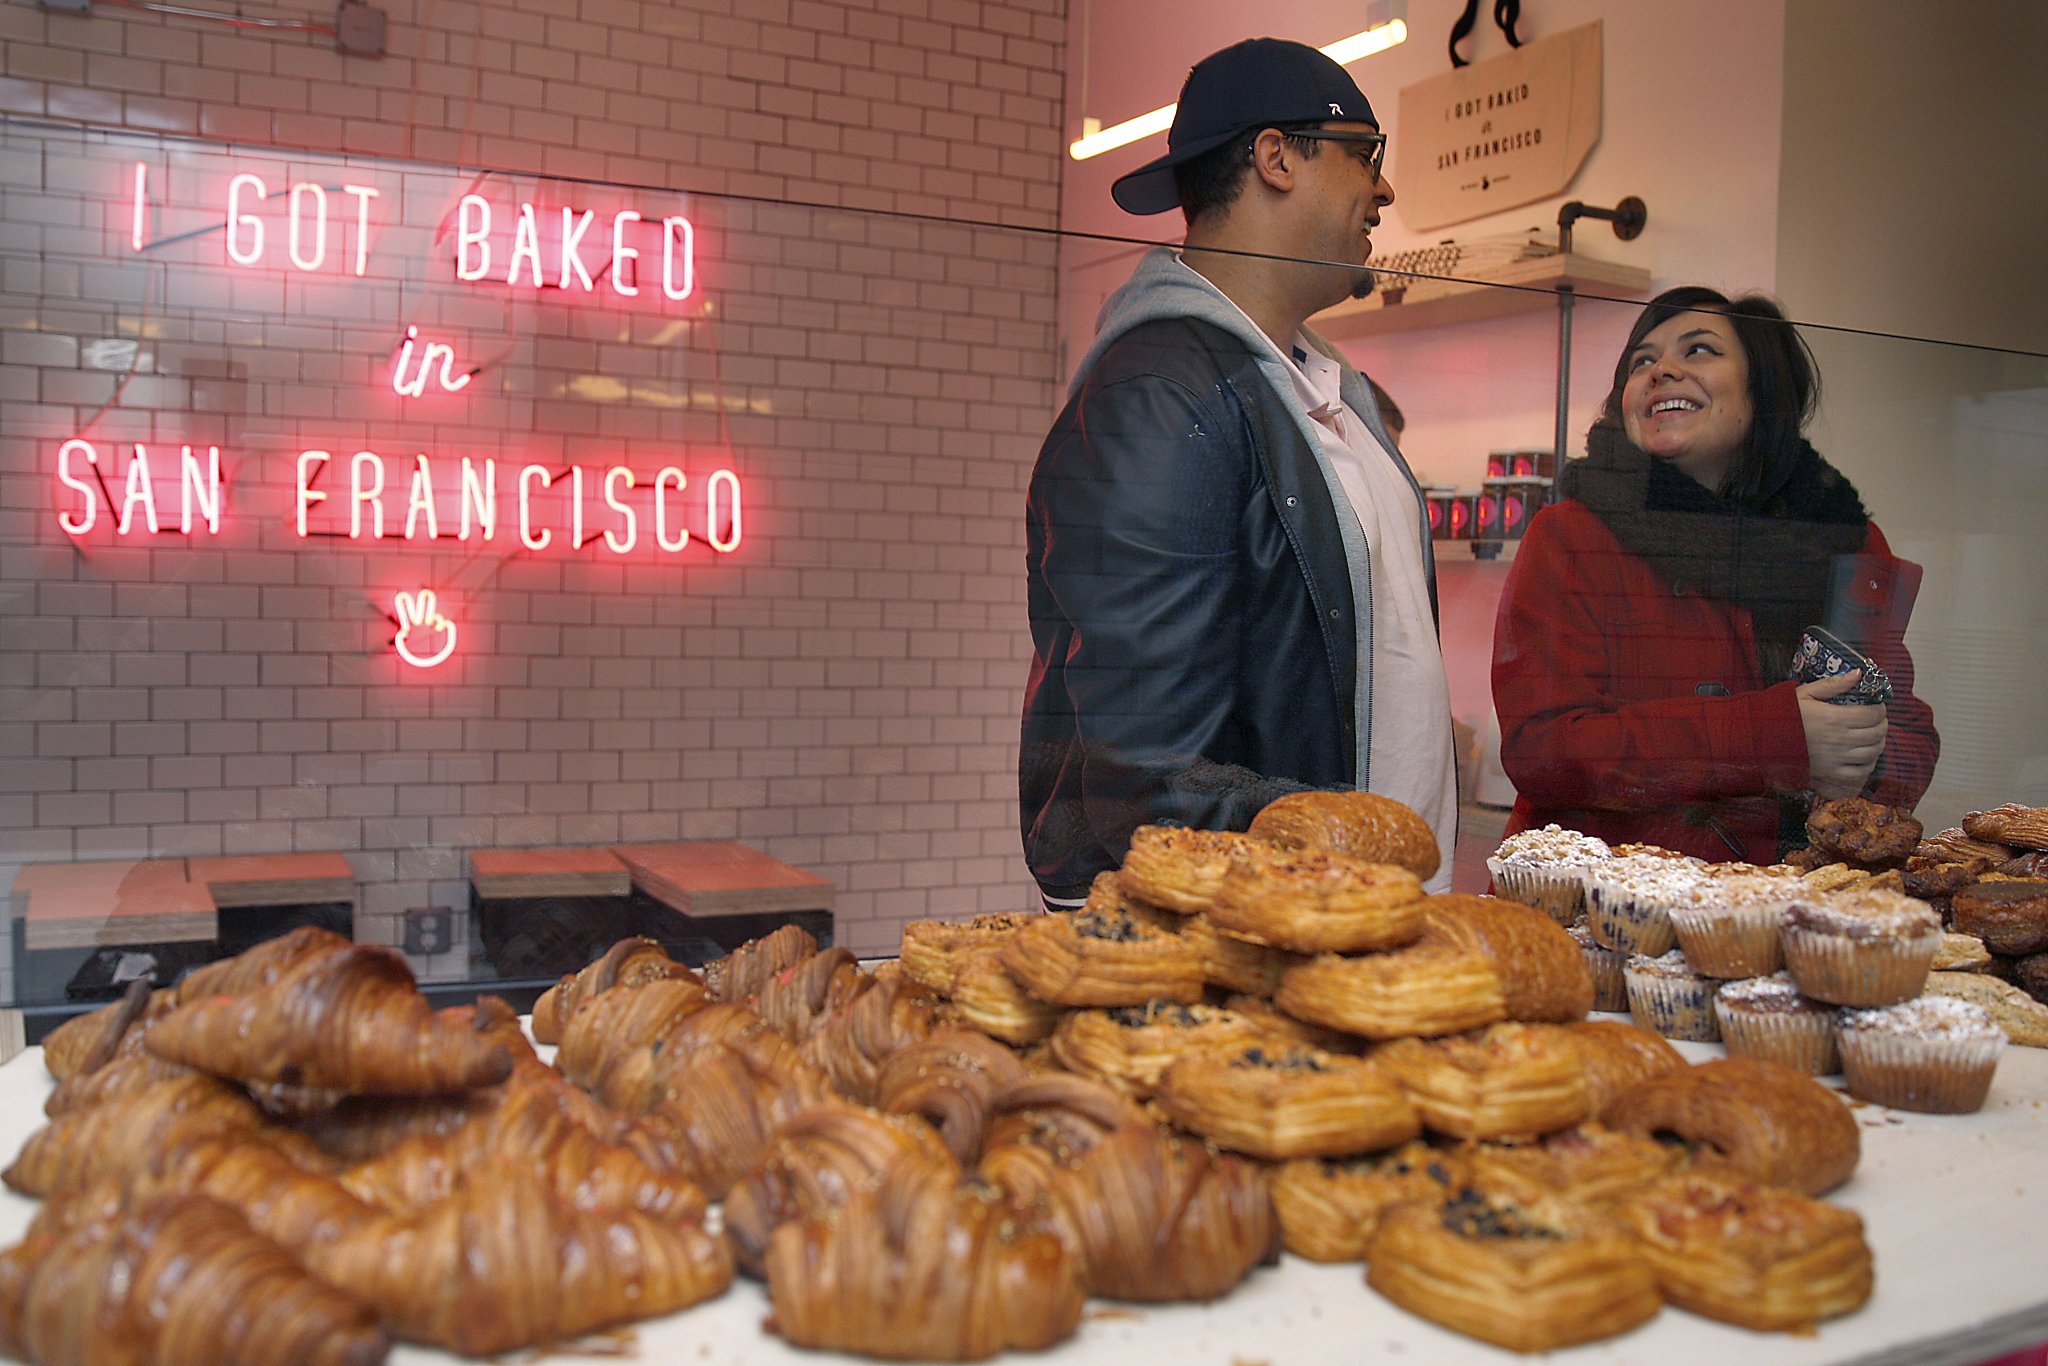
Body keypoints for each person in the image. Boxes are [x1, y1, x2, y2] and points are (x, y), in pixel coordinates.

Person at [1021, 38, 1457, 907]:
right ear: (1276, 157)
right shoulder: (1157, 395)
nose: (1385, 189)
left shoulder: (1322, 388)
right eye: (1365, 155)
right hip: (1245, 938)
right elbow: (1137, 774)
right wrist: (1336, 838)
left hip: (1346, 919)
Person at [1491, 286, 1939, 862]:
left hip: (1796, 908)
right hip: (1609, 910)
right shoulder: (1572, 535)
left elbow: (1907, 728)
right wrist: (1778, 738)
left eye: (1699, 350)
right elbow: (1543, 750)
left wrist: (1863, 766)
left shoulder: (1843, 539)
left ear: (1764, 387)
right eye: (1641, 362)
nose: (1662, 371)